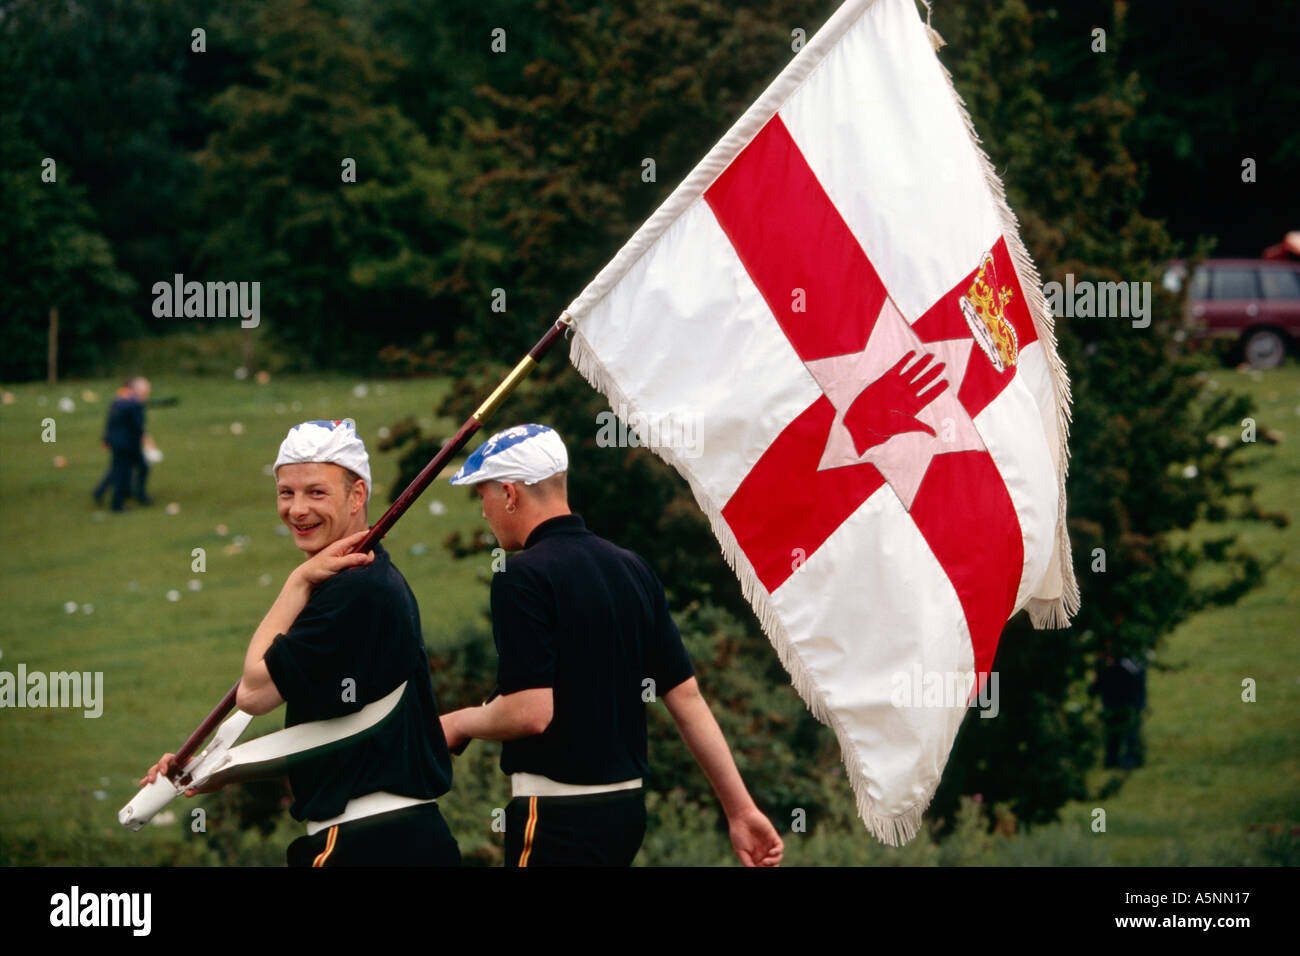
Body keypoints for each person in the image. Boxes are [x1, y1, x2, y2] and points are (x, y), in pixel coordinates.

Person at [439, 424, 783, 867]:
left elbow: (529, 712)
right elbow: (687, 697)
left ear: (509, 493)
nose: (483, 512)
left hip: (557, 817)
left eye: (482, 495)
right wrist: (741, 809)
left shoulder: (519, 576)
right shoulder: (632, 568)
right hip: (624, 814)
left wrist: (460, 722)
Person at [142, 419, 460, 866]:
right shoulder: (362, 581)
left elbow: (253, 693)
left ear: (358, 496)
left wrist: (295, 584)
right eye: (286, 492)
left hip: (364, 845)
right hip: (398, 838)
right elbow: (331, 732)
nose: (297, 509)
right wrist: (215, 768)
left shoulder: (354, 589)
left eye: (316, 492)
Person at [93, 377, 154, 510]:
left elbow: (111, 422)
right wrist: (148, 441)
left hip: (117, 442)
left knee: (126, 468)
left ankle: (100, 492)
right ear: (140, 391)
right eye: (147, 389)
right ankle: (117, 504)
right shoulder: (135, 404)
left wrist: (106, 439)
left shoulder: (119, 401)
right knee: (123, 473)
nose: (148, 392)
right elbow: (138, 427)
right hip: (127, 445)